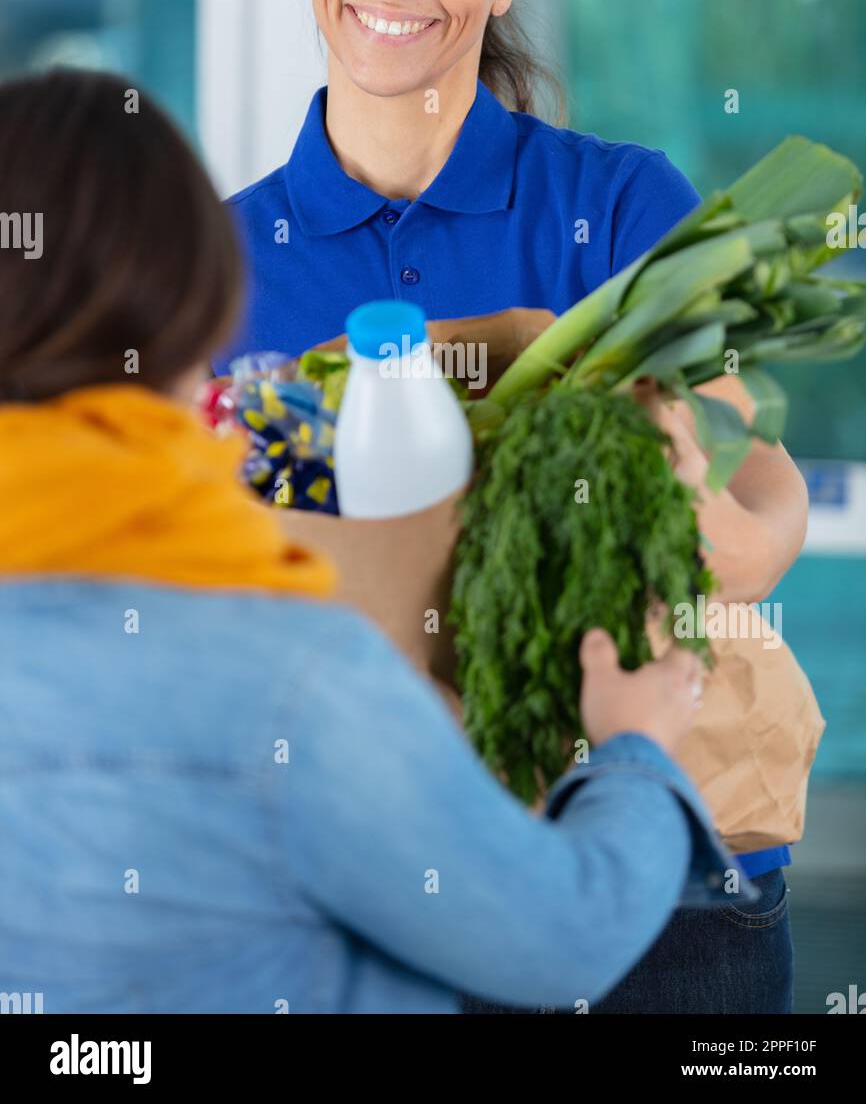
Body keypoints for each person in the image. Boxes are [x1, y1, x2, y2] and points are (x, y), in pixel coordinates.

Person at [214, 0, 806, 1013]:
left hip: (651, 871)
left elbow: (763, 495)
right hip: (360, 879)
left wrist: (717, 510)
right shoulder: (212, 266)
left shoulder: (617, 205)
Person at [0, 67, 754, 1015]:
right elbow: (562, 934)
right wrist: (636, 746)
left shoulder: (619, 196)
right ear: (201, 297)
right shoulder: (297, 676)